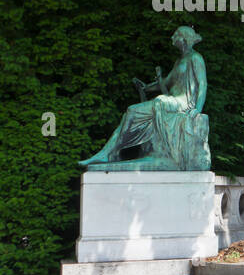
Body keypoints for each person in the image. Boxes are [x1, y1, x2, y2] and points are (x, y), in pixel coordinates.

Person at [80, 25, 211, 171]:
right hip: (171, 102)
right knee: (130, 112)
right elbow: (166, 82)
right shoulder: (179, 61)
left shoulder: (195, 58)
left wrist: (197, 110)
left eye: (175, 35)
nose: (172, 38)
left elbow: (203, 84)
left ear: (184, 39)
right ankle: (109, 153)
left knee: (151, 104)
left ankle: (109, 153)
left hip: (182, 104)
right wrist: (145, 87)